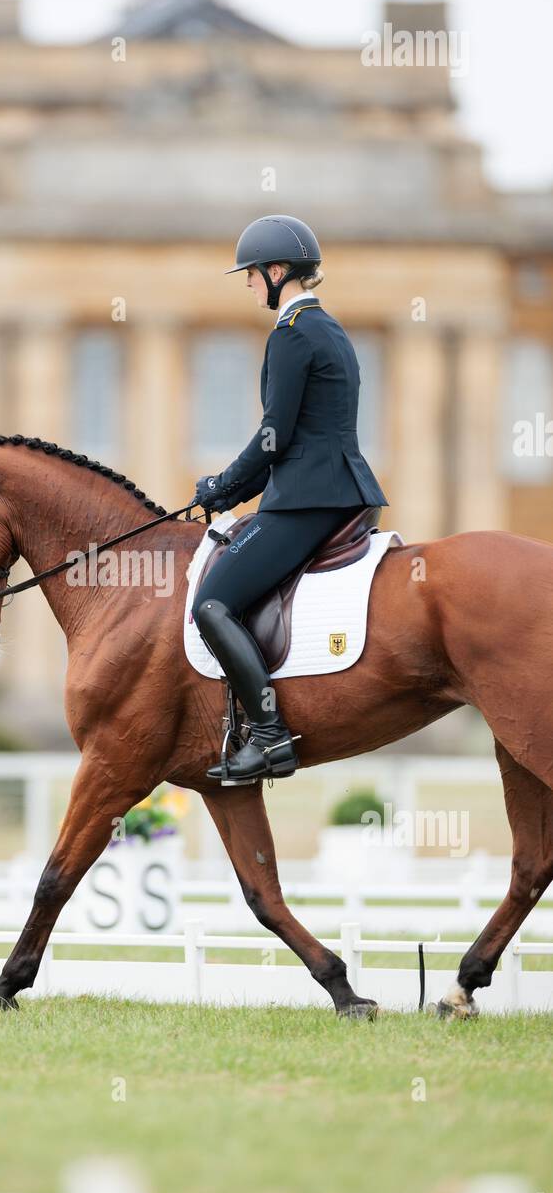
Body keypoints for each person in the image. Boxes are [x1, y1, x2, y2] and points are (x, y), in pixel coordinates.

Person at [191, 214, 388, 784]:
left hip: (309, 499)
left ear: (277, 272)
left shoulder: (292, 334)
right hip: (336, 490)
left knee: (213, 602)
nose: (249, 284)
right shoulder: (330, 329)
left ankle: (271, 736)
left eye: (252, 274)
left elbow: (274, 435)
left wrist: (221, 487)